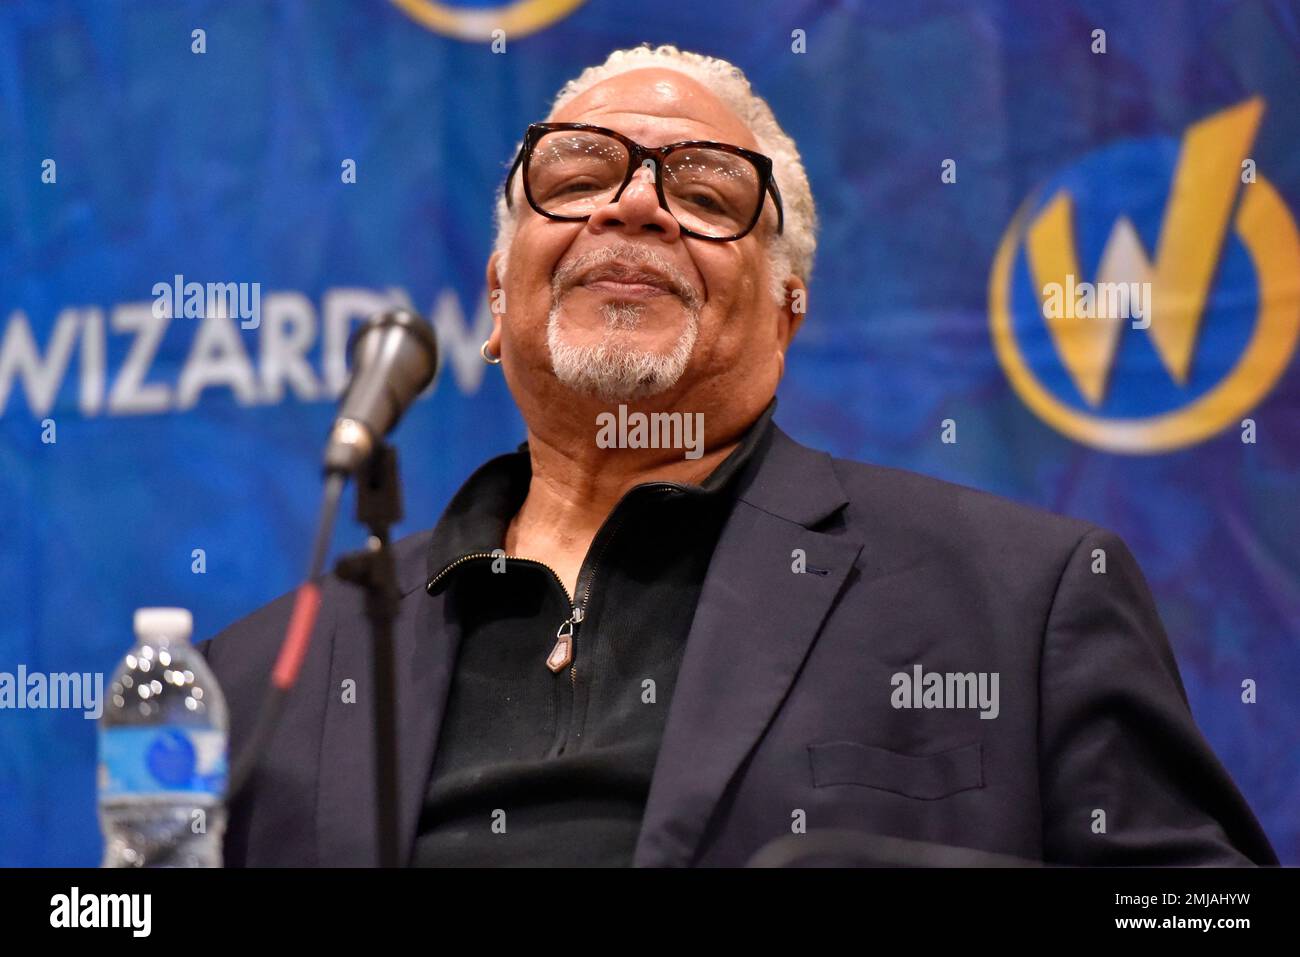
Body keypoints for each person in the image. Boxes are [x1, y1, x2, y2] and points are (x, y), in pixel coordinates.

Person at [202, 44, 1277, 867]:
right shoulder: (254, 686)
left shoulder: (1021, 603)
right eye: (574, 179)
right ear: (496, 295)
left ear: (785, 313)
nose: (631, 204)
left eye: (707, 196)